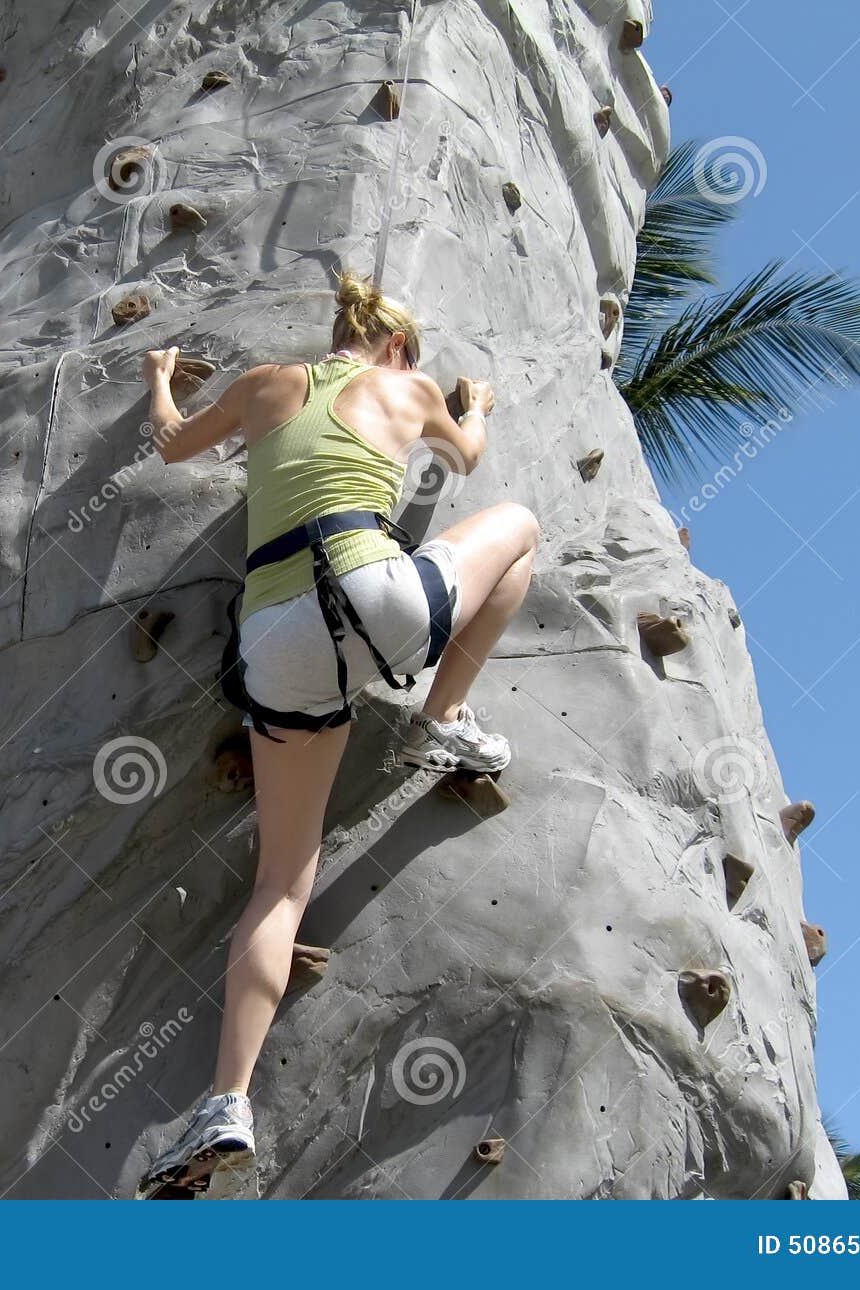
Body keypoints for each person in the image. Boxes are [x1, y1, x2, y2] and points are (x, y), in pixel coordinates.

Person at [134, 271, 540, 1195]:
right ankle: (444, 719)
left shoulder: (263, 385)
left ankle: (225, 1102)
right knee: (518, 527)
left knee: (279, 883)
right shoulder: (413, 390)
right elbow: (468, 458)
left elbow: (167, 445)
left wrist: (162, 373)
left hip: (274, 641)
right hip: (376, 593)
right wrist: (478, 405)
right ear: (399, 350)